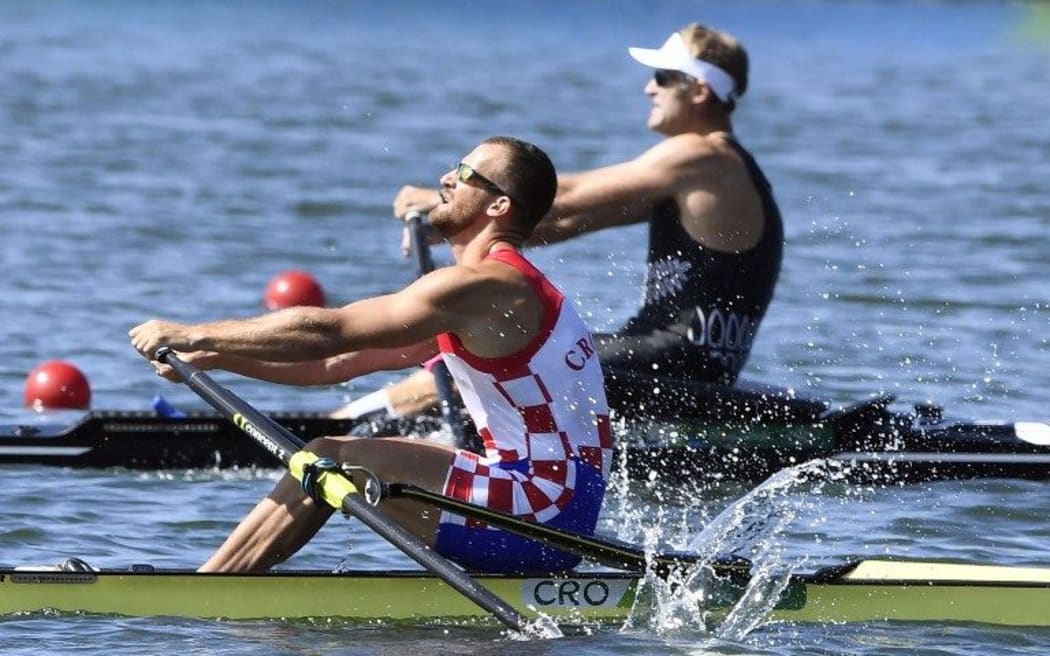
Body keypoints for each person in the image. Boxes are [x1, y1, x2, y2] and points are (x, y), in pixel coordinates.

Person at [129, 136, 612, 574]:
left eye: (464, 174)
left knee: (331, 461)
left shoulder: (489, 287)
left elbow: (329, 333)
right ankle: (219, 580)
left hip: (541, 511)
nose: (445, 179)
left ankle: (211, 587)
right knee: (329, 455)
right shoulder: (490, 300)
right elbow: (333, 365)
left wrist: (190, 332)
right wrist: (215, 357)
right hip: (552, 509)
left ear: (499, 205)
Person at [337, 23, 783, 422]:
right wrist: (458, 224)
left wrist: (442, 200)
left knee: (485, 356)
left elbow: (562, 195)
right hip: (691, 358)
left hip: (674, 360)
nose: (650, 88)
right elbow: (556, 219)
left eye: (664, 78)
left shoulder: (703, 156)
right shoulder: (704, 175)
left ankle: (337, 427)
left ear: (701, 90)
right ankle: (388, 422)